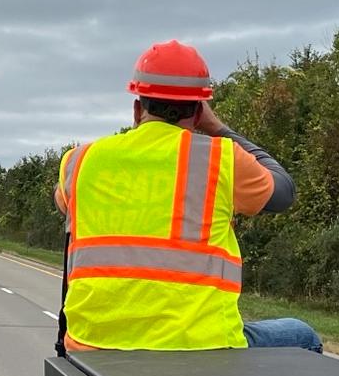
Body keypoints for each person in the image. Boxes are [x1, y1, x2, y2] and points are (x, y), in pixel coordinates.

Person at [53, 39, 321, 353]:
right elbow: (284, 191)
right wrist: (217, 127)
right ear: (198, 113)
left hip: (91, 346)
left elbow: (65, 203)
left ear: (137, 108)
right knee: (303, 336)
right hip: (200, 349)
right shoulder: (222, 159)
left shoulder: (79, 161)